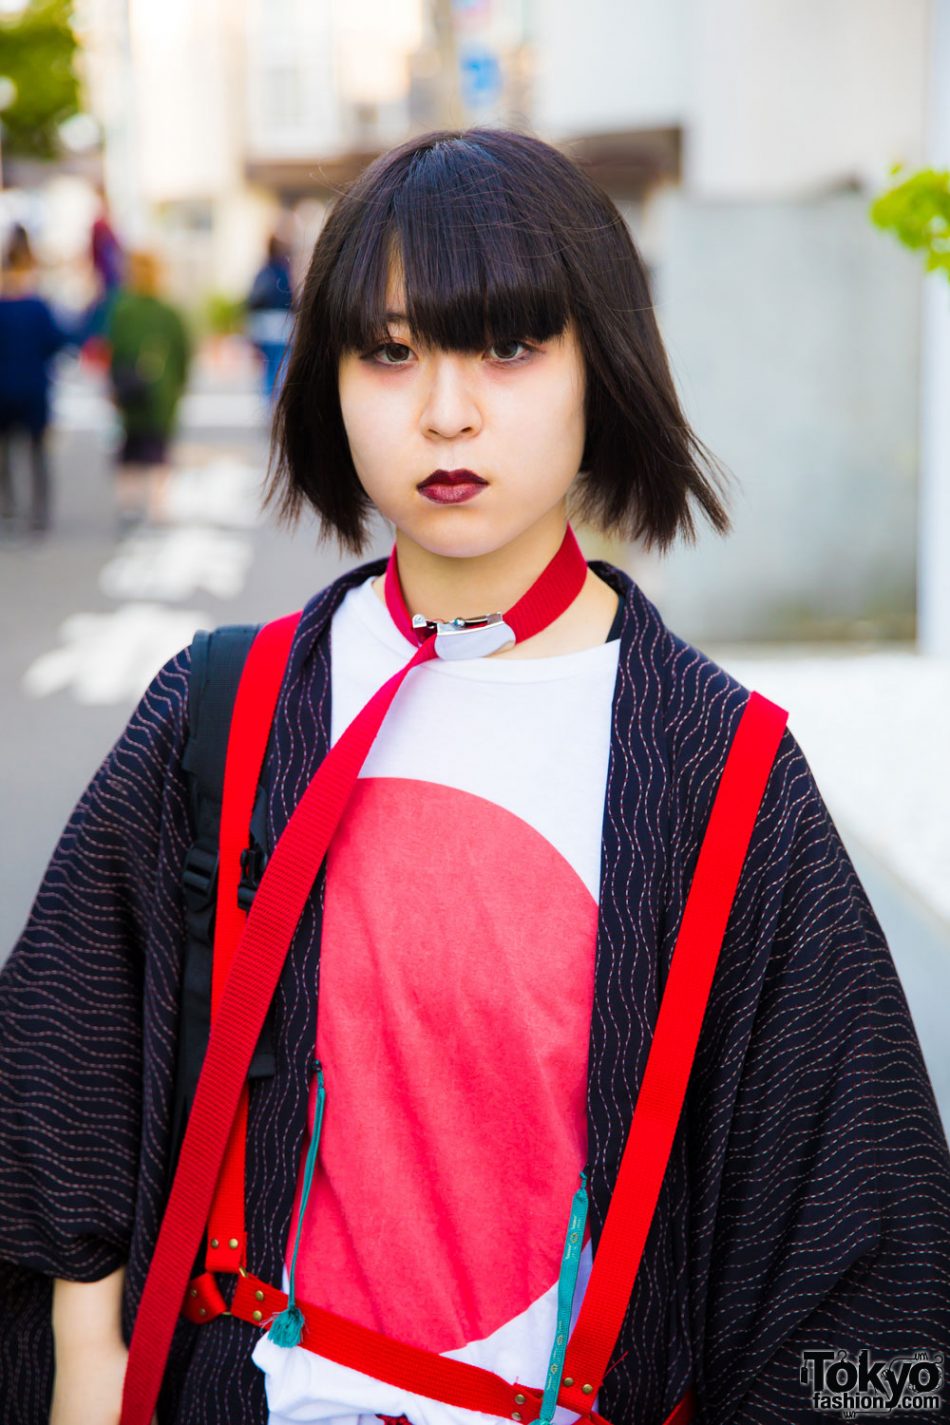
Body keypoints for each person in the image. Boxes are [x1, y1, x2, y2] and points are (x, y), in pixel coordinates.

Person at [1, 127, 948, 1425]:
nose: (445, 408)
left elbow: (856, 1238)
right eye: (389, 351)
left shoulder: (716, 773)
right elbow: (60, 1071)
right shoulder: (225, 709)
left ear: (598, 367)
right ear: (328, 380)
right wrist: (87, 1366)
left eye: (506, 344)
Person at [105, 249, 191, 532]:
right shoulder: (169, 313)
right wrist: (178, 386)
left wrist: (113, 387)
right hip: (161, 394)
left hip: (129, 392)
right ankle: (157, 505)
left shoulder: (122, 310)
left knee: (129, 449)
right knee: (158, 450)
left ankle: (128, 505)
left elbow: (113, 352)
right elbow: (183, 354)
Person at [0, 225, 74, 535]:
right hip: (34, 389)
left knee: (4, 454)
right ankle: (38, 515)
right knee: (36, 453)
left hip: (3, 389)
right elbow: (58, 341)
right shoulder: (38, 307)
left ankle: (9, 511)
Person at [245, 233, 295, 403]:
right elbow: (293, 299)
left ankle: (268, 403)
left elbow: (252, 301)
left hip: (265, 326)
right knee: (280, 365)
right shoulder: (285, 272)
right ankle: (276, 402)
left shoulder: (263, 272)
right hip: (282, 325)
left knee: (268, 366)